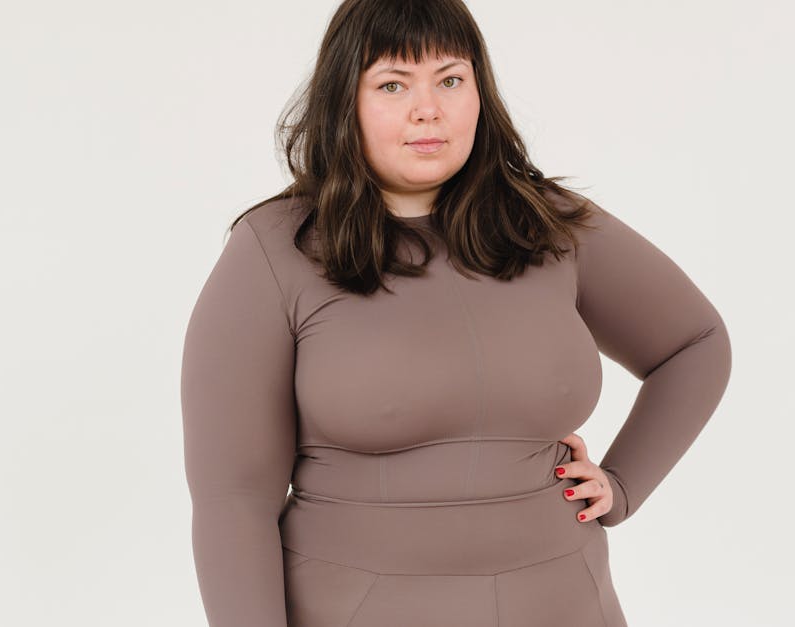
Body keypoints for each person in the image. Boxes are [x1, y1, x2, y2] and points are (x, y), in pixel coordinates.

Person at [180, 0, 732, 625]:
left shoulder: (550, 225)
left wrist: (623, 485)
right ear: (345, 102)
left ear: (479, 92)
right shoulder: (275, 249)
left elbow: (695, 343)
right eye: (392, 84)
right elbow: (233, 501)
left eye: (450, 79)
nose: (428, 109)